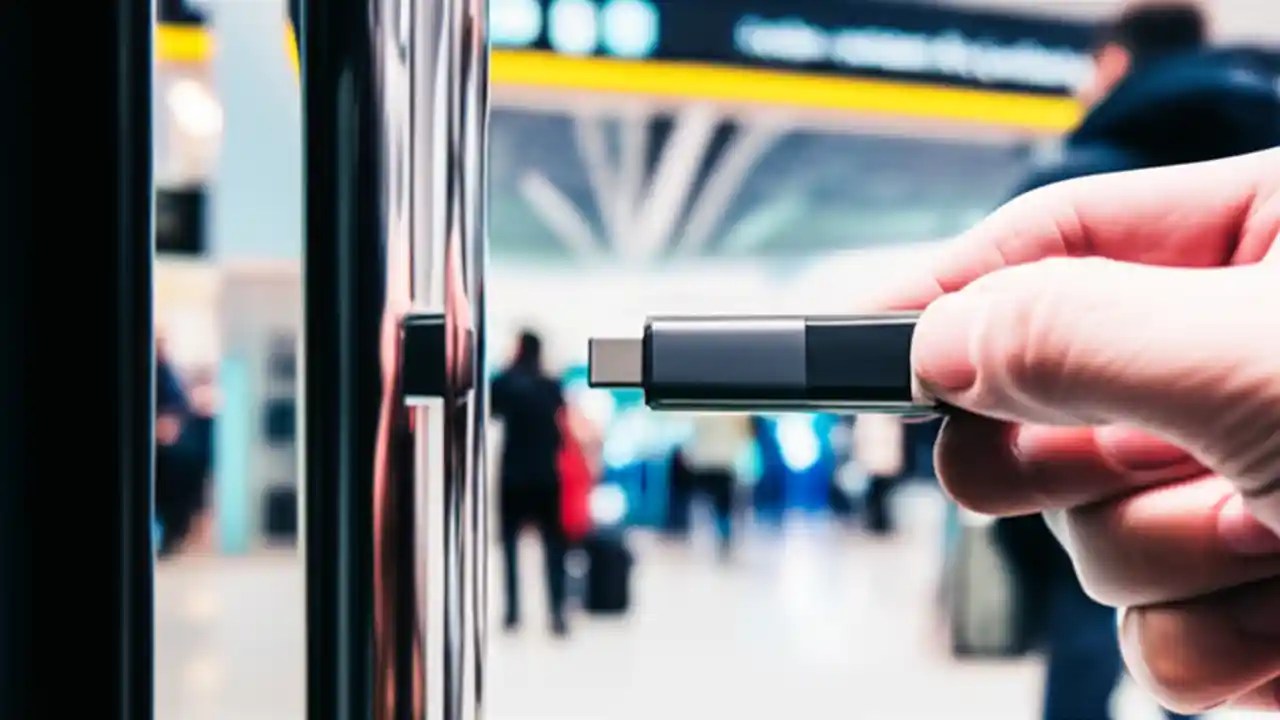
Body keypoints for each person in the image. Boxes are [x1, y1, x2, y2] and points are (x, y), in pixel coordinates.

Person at [869, 147, 1280, 715]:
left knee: (1127, 631)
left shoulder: (1070, 178)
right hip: (1210, 478)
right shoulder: (1233, 193)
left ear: (1111, 63)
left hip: (1083, 501)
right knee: (1185, 628)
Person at [971, 3, 1280, 717]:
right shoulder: (1261, 173)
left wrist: (1023, 535)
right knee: (1210, 663)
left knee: (1102, 648)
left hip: (1093, 482)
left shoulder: (1079, 183)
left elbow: (997, 397)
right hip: (1239, 499)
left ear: (1113, 63)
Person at [491, 331, 570, 636]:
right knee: (553, 548)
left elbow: (493, 408)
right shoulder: (550, 385)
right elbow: (561, 424)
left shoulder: (506, 383)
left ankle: (512, 613)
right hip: (546, 476)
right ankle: (557, 612)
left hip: (513, 476)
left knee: (510, 546)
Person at [670, 414, 752, 558]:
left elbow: (690, 435)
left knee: (703, 504)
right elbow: (744, 436)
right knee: (722, 507)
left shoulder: (701, 412)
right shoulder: (735, 414)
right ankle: (723, 537)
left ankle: (707, 535)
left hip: (705, 462)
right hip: (723, 463)